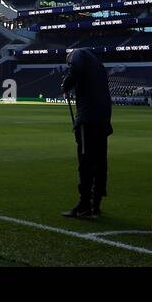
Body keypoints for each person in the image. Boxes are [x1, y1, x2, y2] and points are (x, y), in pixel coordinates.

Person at [60, 46, 113, 219]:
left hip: (88, 118)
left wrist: (67, 84)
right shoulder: (98, 63)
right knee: (99, 161)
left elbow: (76, 67)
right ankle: (95, 205)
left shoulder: (78, 54)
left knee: (86, 161)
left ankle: (84, 206)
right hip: (103, 117)